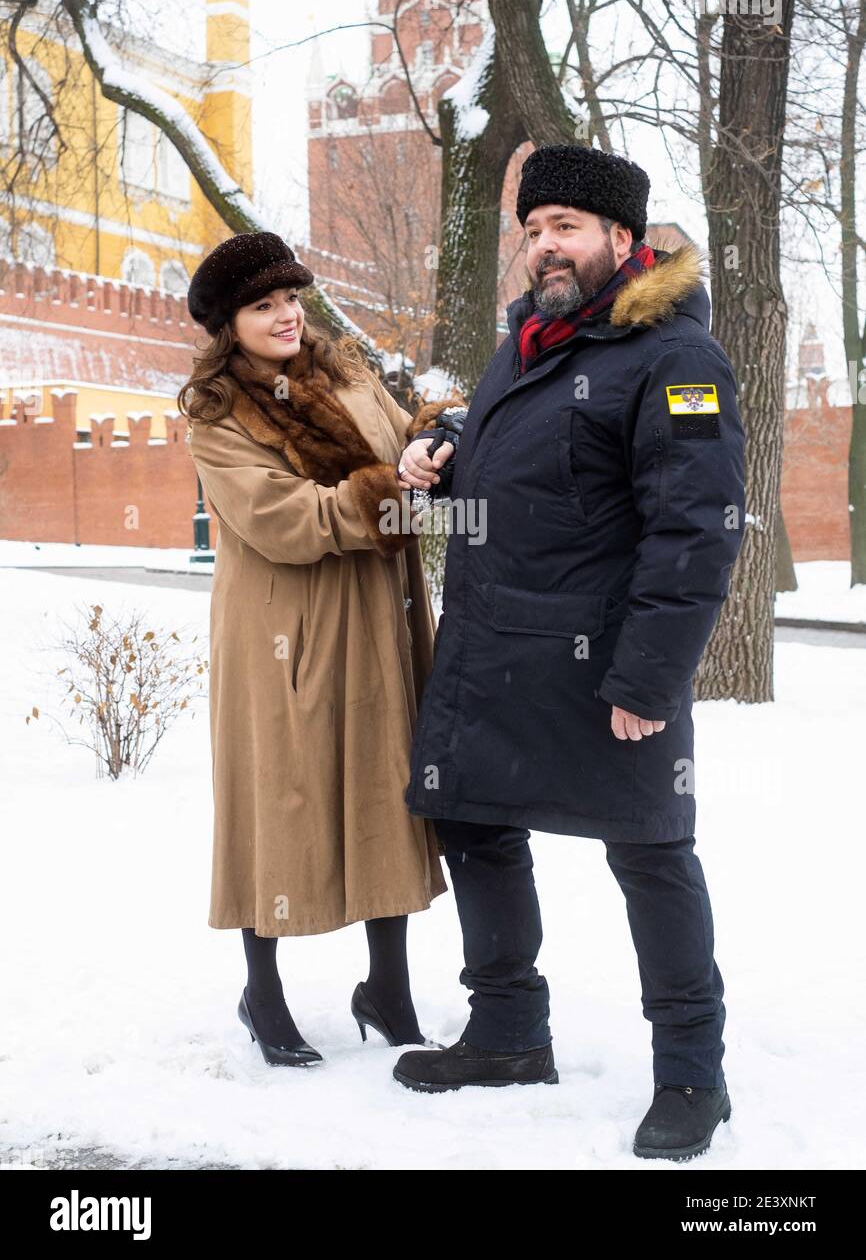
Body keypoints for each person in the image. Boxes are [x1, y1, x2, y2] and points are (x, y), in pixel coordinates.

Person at [393, 144, 746, 1162]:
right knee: (471, 821)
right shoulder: (530, 344)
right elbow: (541, 438)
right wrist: (449, 440)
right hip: (496, 649)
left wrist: (647, 674)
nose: (544, 244)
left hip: (605, 670)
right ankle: (506, 1030)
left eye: (567, 227)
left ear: (622, 242)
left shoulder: (674, 360)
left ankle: (690, 1070)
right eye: (534, 226)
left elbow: (696, 527)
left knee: (646, 851)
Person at [178, 231, 462, 1067]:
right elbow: (283, 517)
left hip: (377, 616)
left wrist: (430, 443)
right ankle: (261, 994)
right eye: (262, 306)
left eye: (291, 300)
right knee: (278, 798)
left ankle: (389, 989)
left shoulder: (345, 372)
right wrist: (385, 491)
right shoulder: (217, 416)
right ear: (229, 327)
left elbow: (396, 441)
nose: (285, 316)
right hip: (285, 634)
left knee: (385, 791)